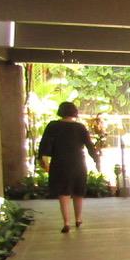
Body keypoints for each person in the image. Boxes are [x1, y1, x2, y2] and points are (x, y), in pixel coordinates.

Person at [37, 100, 98, 233]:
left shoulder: (52, 126)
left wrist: (42, 158)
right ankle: (78, 219)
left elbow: (45, 144)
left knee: (63, 192)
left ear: (60, 112)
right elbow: (89, 145)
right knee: (78, 192)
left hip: (60, 162)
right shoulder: (80, 127)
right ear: (74, 112)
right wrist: (96, 159)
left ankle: (66, 222)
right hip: (78, 162)